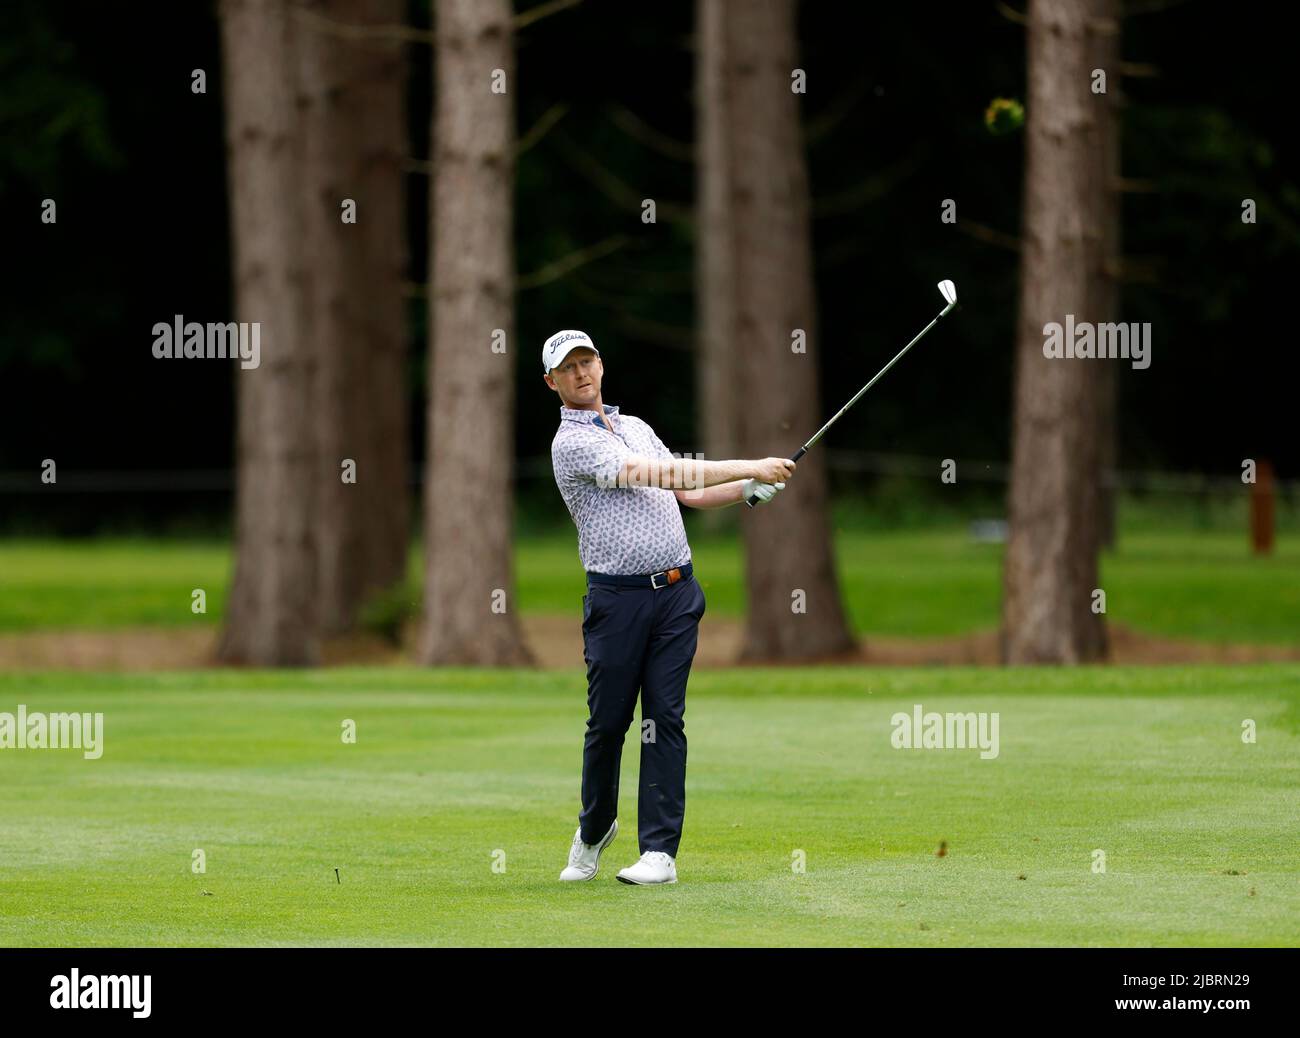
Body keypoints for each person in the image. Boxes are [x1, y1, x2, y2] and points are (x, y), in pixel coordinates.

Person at [542, 329, 796, 885]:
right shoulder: (571, 444)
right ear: (552, 382)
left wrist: (746, 488)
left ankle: (659, 852)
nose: (581, 373)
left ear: (601, 365)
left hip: (677, 595)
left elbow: (688, 492)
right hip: (617, 600)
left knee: (665, 718)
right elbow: (656, 474)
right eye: (568, 368)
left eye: (587, 361)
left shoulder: (635, 427)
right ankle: (595, 827)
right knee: (608, 724)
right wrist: (750, 464)